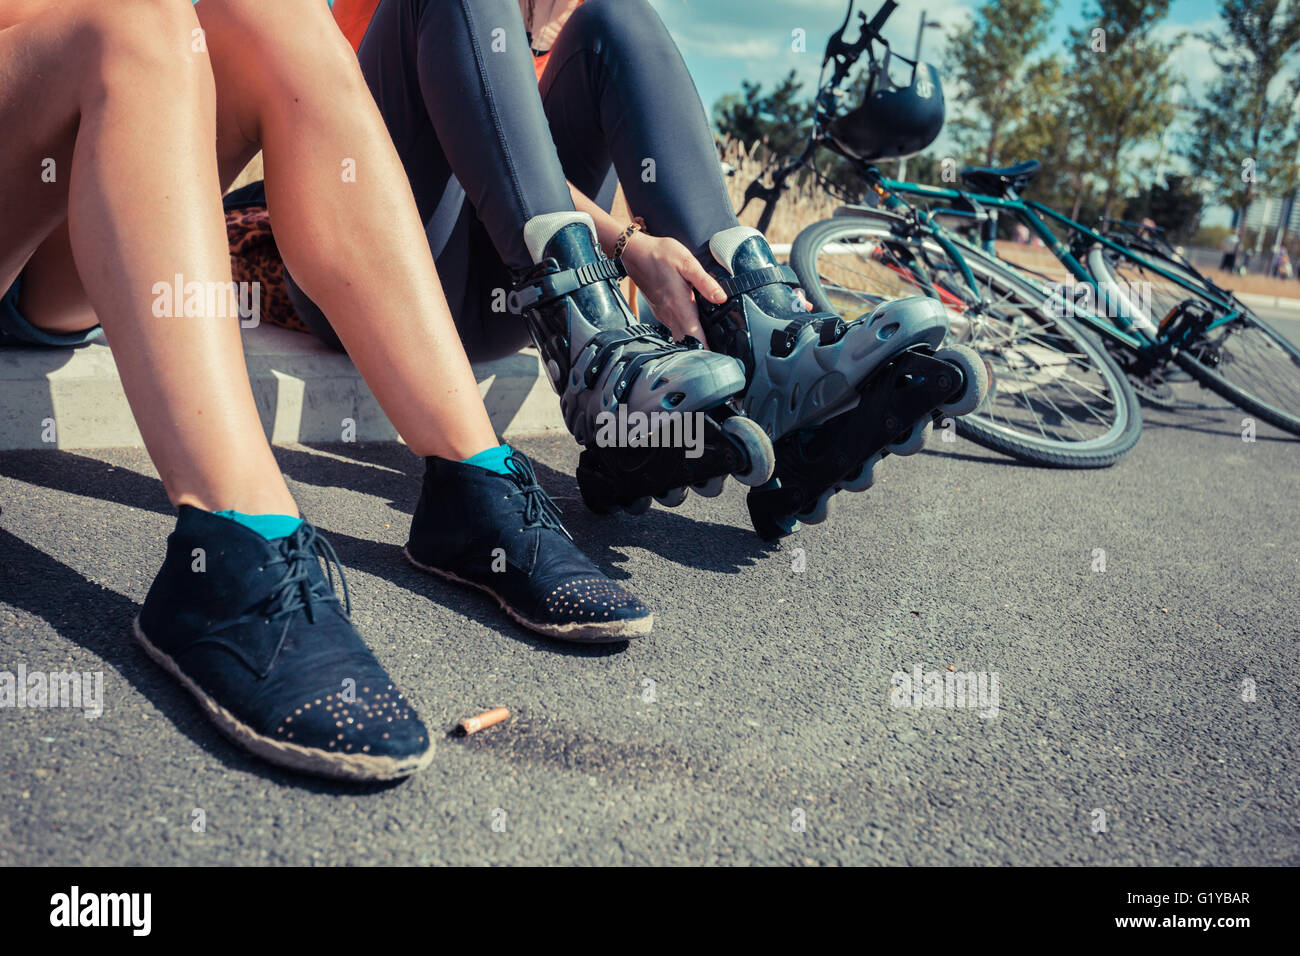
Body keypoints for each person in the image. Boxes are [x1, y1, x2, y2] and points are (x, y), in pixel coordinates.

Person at [0, 0, 652, 782]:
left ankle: (473, 480)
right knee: (131, 24)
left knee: (274, 16)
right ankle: (236, 535)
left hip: (43, 230)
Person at [297, 0, 986, 534]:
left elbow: (540, 175)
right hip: (370, 268)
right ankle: (596, 356)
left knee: (615, 19)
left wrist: (653, 263)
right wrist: (623, 244)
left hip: (504, 297)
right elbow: (398, 140)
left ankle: (765, 343)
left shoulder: (567, 29)